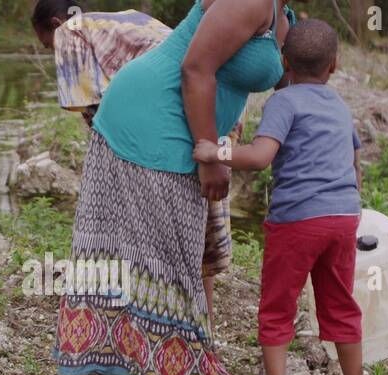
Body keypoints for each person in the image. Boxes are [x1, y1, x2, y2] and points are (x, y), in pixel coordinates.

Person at [52, 0, 294, 375]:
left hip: (189, 126)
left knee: (173, 253)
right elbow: (194, 70)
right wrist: (212, 157)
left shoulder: (280, 11)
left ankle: (165, 363)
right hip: (152, 117)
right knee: (167, 253)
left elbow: (284, 79)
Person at [194, 19, 370, 375]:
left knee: (278, 306)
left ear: (284, 63)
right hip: (343, 218)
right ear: (335, 65)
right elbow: (355, 165)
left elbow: (258, 158)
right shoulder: (340, 105)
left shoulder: (283, 102)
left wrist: (212, 151)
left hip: (297, 222)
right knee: (341, 302)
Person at [31, 0, 241, 325]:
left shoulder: (69, 33)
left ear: (57, 23)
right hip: (213, 113)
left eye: (47, 44)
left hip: (169, 119)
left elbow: (94, 112)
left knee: (152, 234)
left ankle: (154, 324)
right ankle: (203, 327)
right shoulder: (127, 21)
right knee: (200, 226)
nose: (53, 50)